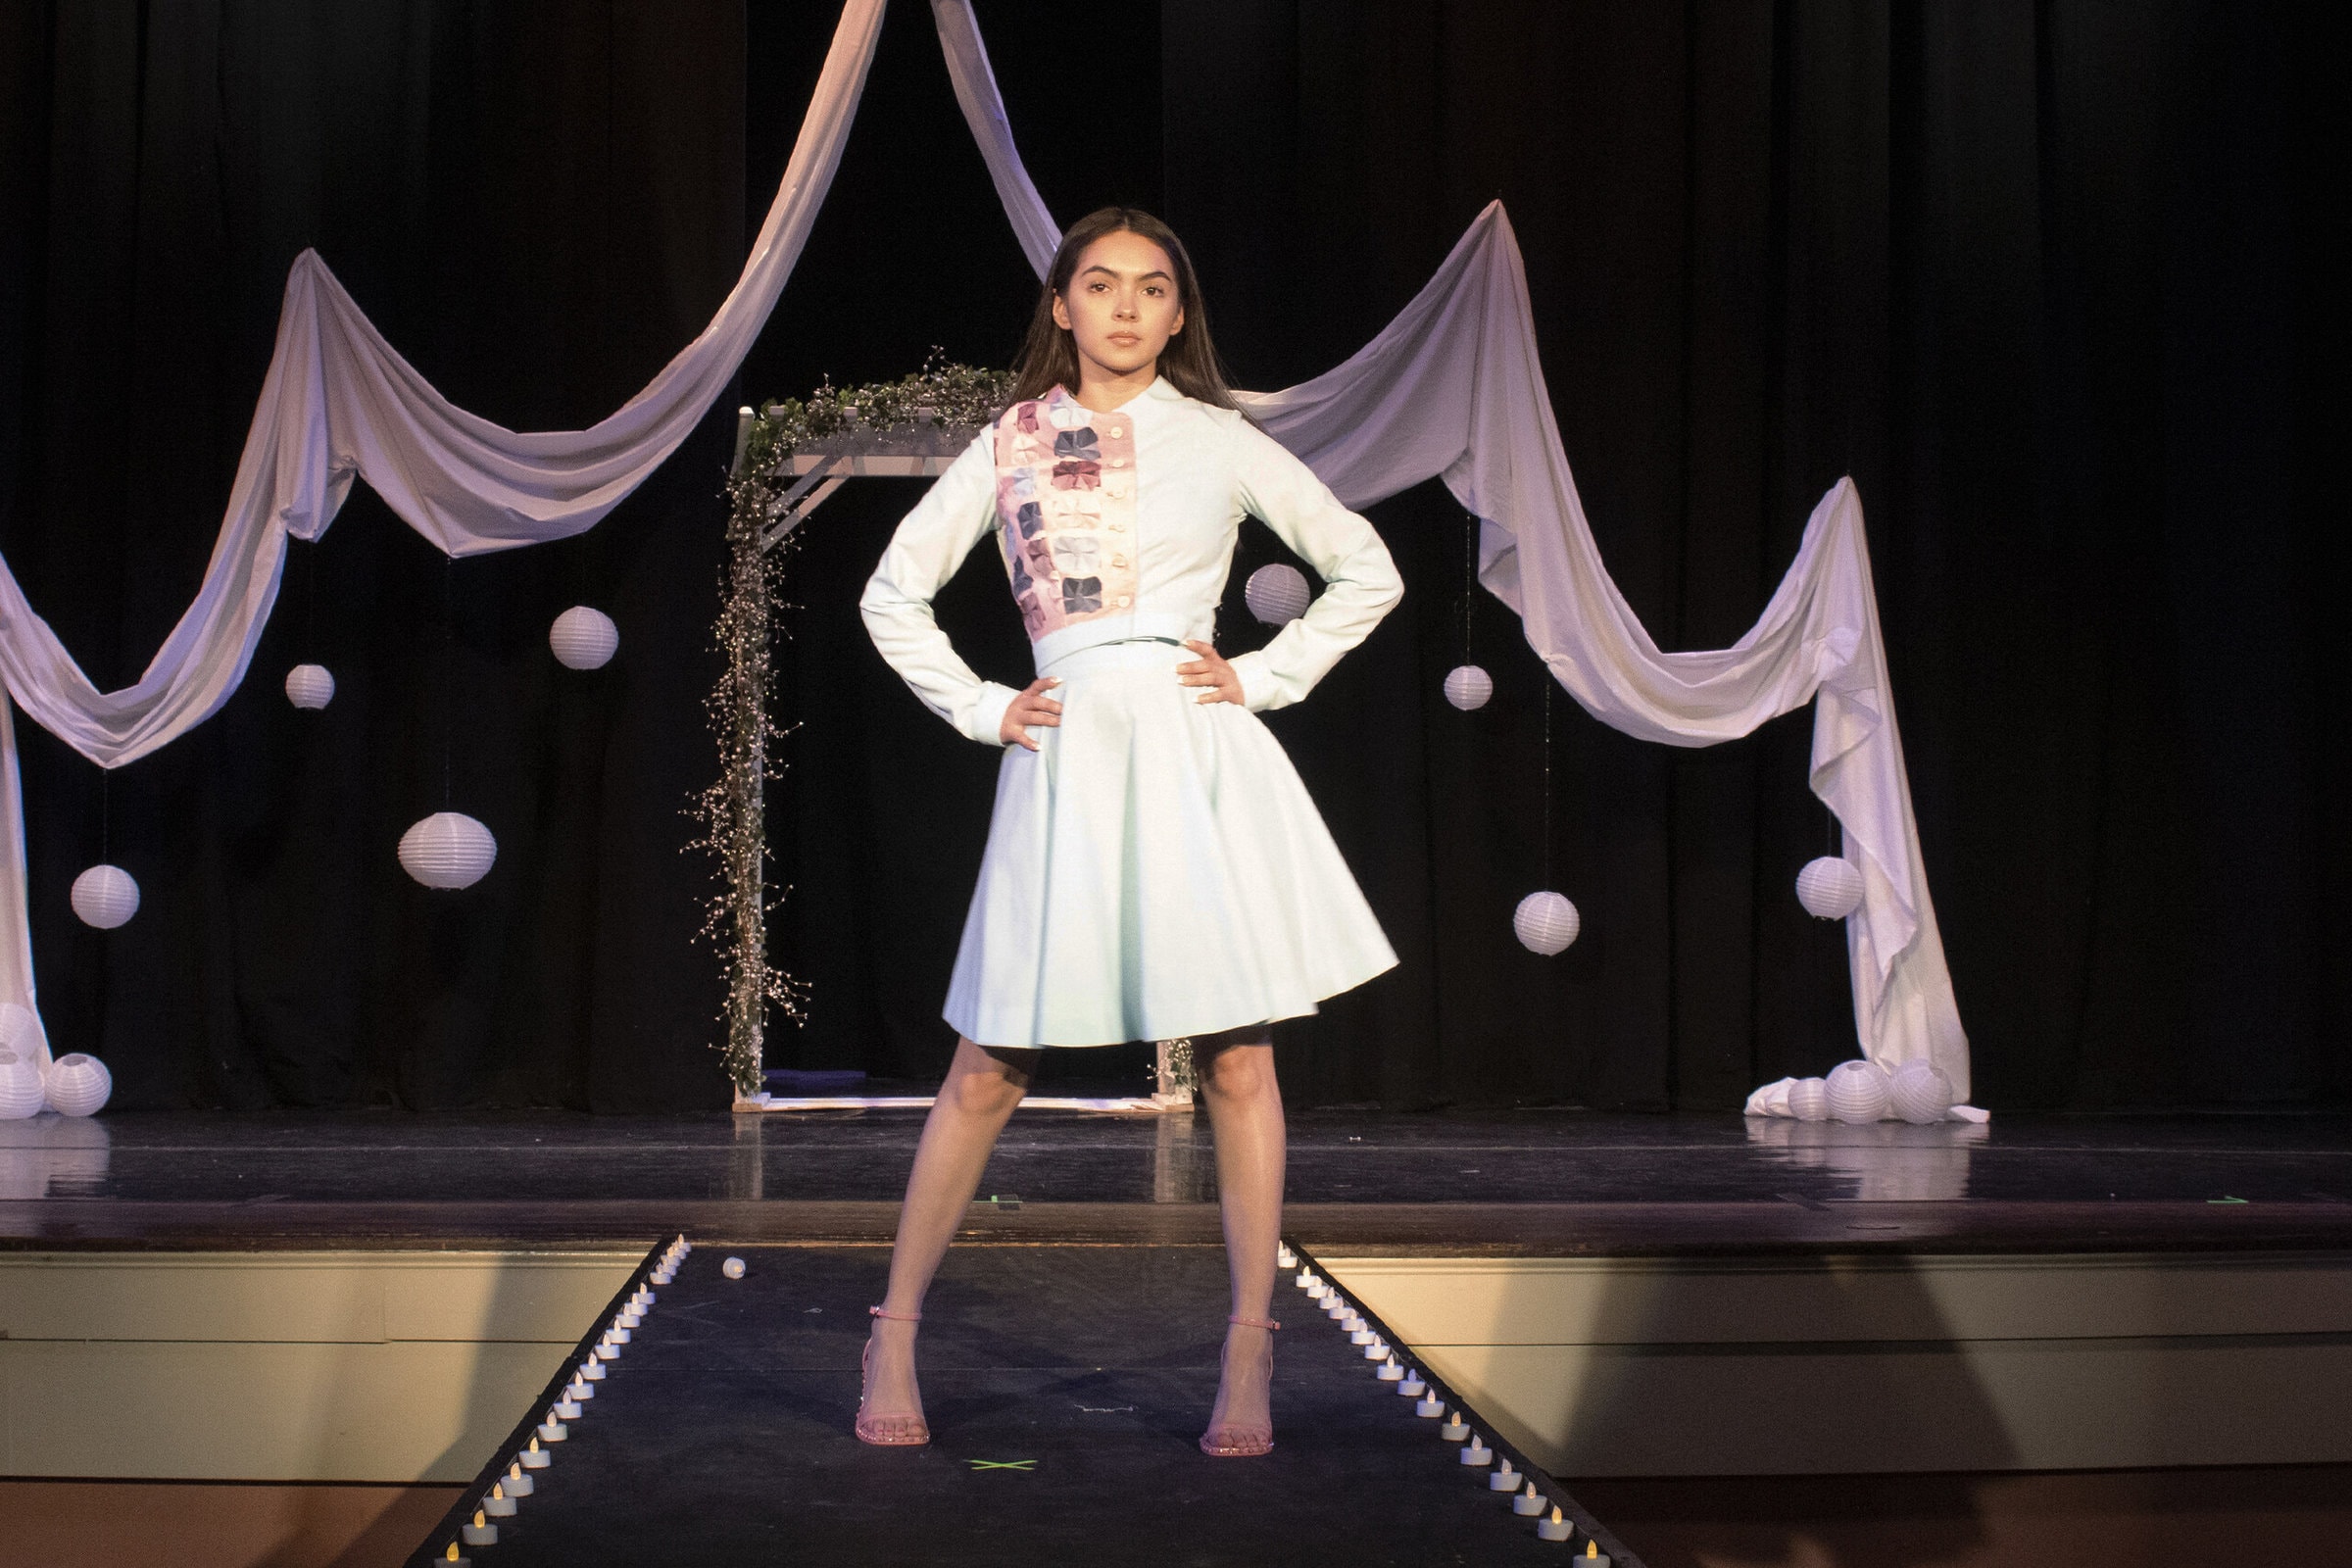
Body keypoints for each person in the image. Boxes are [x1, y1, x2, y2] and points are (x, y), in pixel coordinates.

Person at [855, 206, 1401, 1457]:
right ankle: (892, 1326)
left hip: (1196, 749)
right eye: (1098, 285)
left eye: (1150, 289)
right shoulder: (1011, 442)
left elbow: (1366, 567)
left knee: (1241, 1061)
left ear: (1176, 313)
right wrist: (988, 705)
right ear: (1061, 306)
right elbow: (892, 591)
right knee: (989, 1066)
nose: (1122, 306)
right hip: (1070, 750)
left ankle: (1249, 1348)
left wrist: (1263, 677)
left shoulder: (1220, 440)